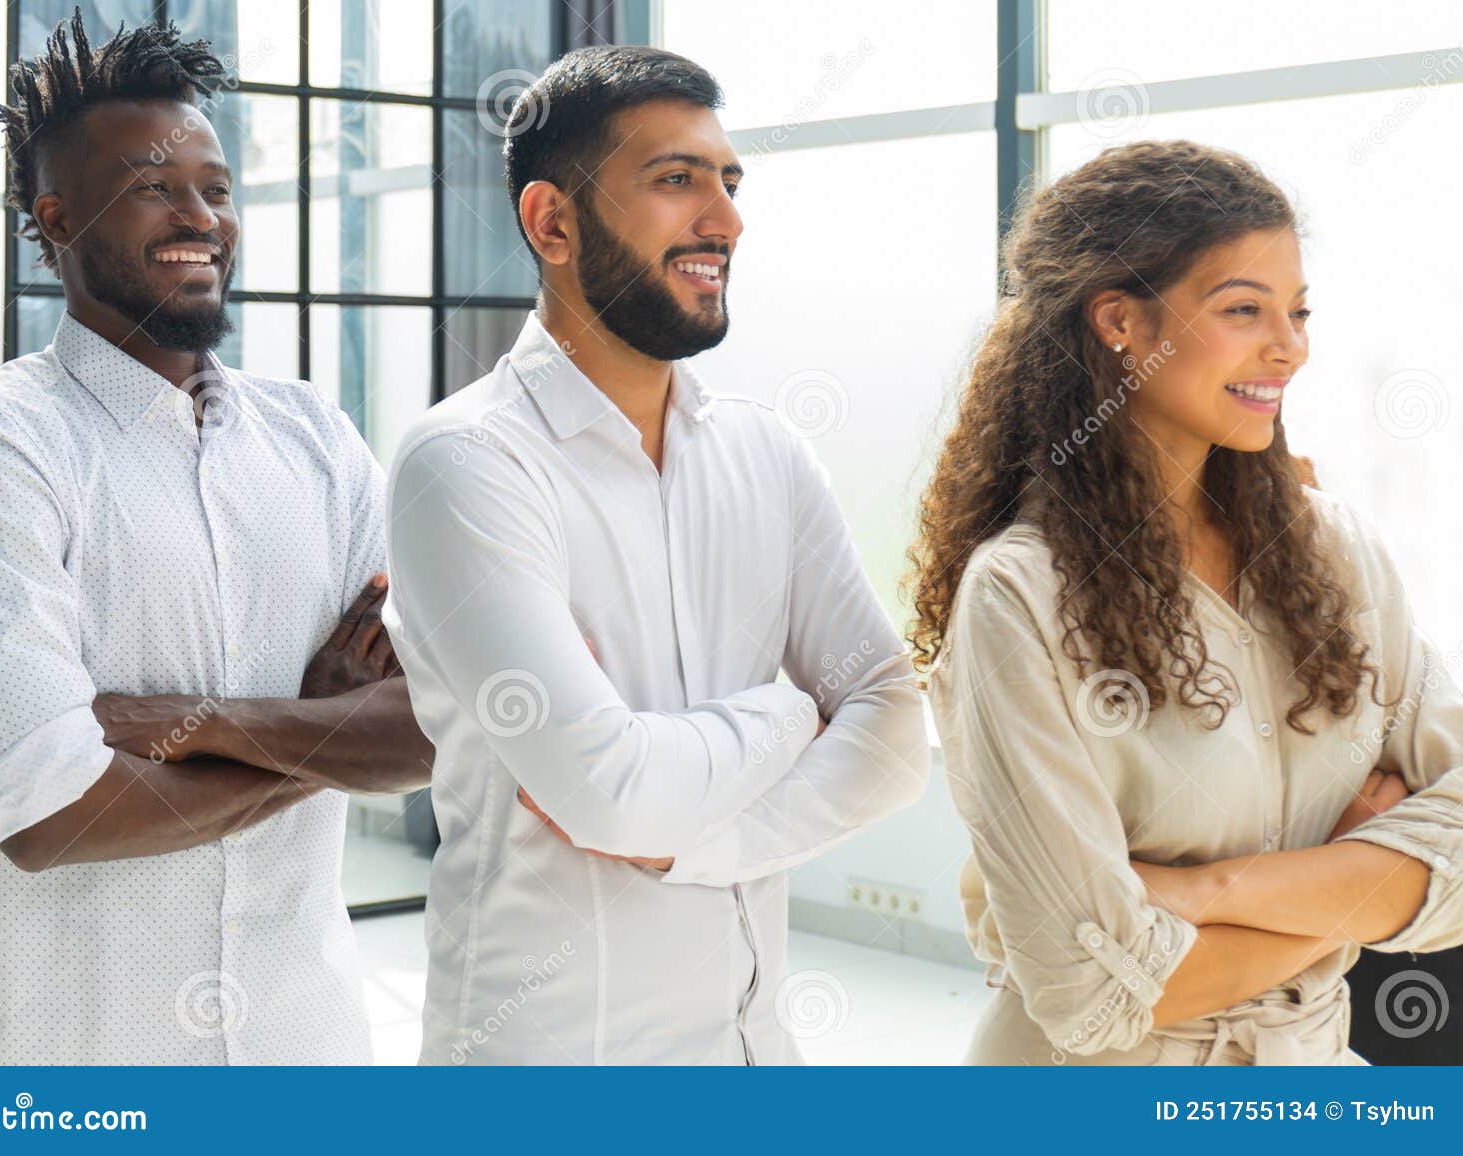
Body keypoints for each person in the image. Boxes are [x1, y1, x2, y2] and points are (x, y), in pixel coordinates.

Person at [383, 46, 930, 1065]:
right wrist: (789, 711)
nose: (723, 219)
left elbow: (896, 730)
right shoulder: (465, 464)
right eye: (675, 180)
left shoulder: (766, 451)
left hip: (755, 1054)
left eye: (728, 181)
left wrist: (702, 842)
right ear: (552, 222)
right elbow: (607, 791)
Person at [0, 11, 431, 1065]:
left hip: (305, 1048)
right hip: (69, 1063)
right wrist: (320, 728)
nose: (200, 214)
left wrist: (194, 723)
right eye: (154, 186)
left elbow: (435, 728)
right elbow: (53, 813)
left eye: (217, 185)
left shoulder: (319, 442)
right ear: (56, 219)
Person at [910, 139, 1463, 1065]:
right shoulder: (1019, 596)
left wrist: (1210, 894)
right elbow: (1087, 995)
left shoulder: (1338, 549)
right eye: (1243, 309)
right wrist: (1355, 887)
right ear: (1119, 321)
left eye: (1296, 311)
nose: (1290, 346)